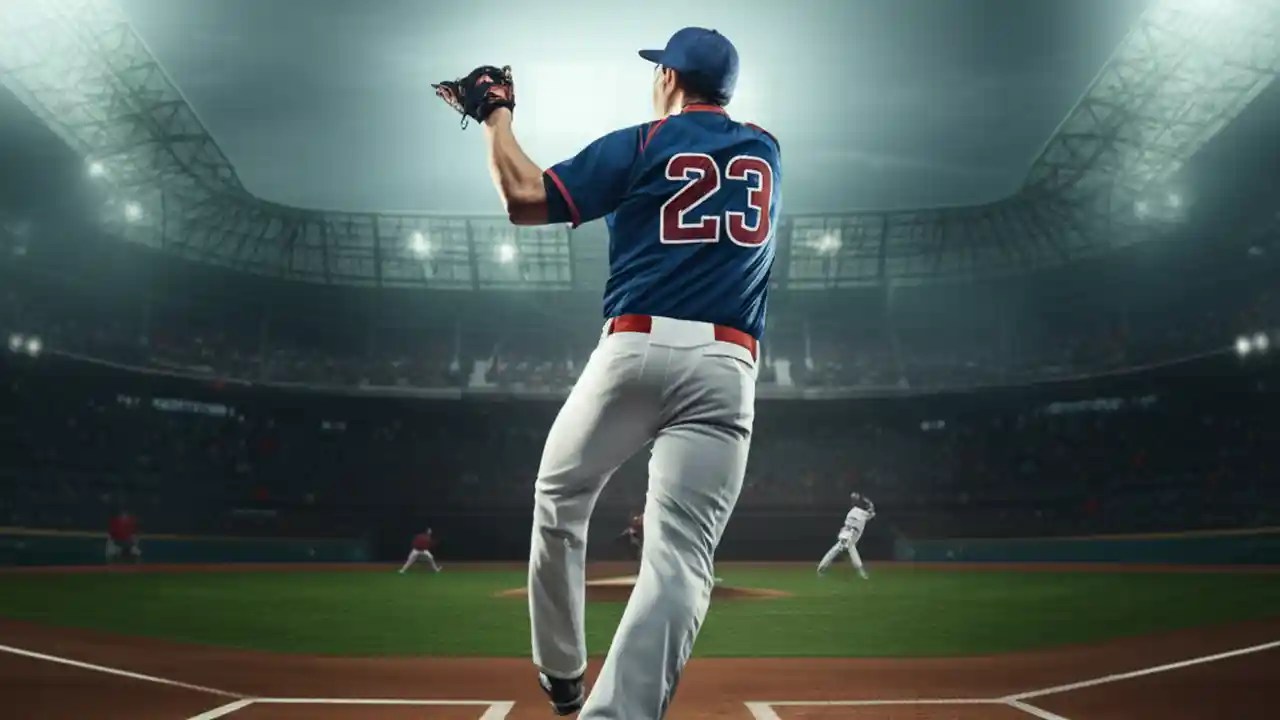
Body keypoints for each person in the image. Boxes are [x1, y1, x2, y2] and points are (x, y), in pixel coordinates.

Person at [435, 26, 780, 718]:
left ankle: (562, 673)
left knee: (561, 496)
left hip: (637, 349)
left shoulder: (644, 142)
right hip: (728, 369)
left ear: (671, 79)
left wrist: (495, 112)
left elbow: (523, 197)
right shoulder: (765, 149)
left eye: (661, 71)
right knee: (681, 560)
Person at [818, 493, 876, 579]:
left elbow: (871, 513)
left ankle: (821, 568)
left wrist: (868, 504)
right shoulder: (858, 512)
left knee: (835, 550)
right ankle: (860, 570)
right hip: (848, 534)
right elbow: (871, 512)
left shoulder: (857, 513)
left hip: (848, 534)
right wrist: (869, 503)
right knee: (850, 548)